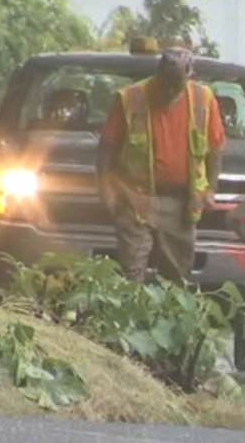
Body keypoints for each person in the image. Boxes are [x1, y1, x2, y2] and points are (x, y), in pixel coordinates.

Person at [96, 46, 226, 285]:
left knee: (176, 278)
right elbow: (107, 147)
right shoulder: (131, 98)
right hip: (135, 199)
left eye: (177, 83)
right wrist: (106, 189)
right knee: (131, 274)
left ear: (189, 76)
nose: (170, 89)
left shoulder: (203, 99)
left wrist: (211, 189)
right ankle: (128, 319)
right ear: (157, 74)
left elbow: (215, 147)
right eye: (166, 82)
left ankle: (170, 319)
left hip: (180, 204)